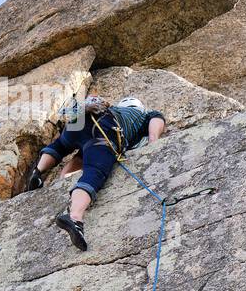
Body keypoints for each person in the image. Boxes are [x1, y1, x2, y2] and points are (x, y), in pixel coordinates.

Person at [24, 95, 166, 250]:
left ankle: (38, 172)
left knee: (60, 145)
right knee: (94, 172)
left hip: (78, 122)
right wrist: (154, 143)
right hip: (105, 128)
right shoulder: (143, 114)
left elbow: (78, 160)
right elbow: (155, 126)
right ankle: (75, 218)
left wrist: (63, 178)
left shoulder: (111, 108)